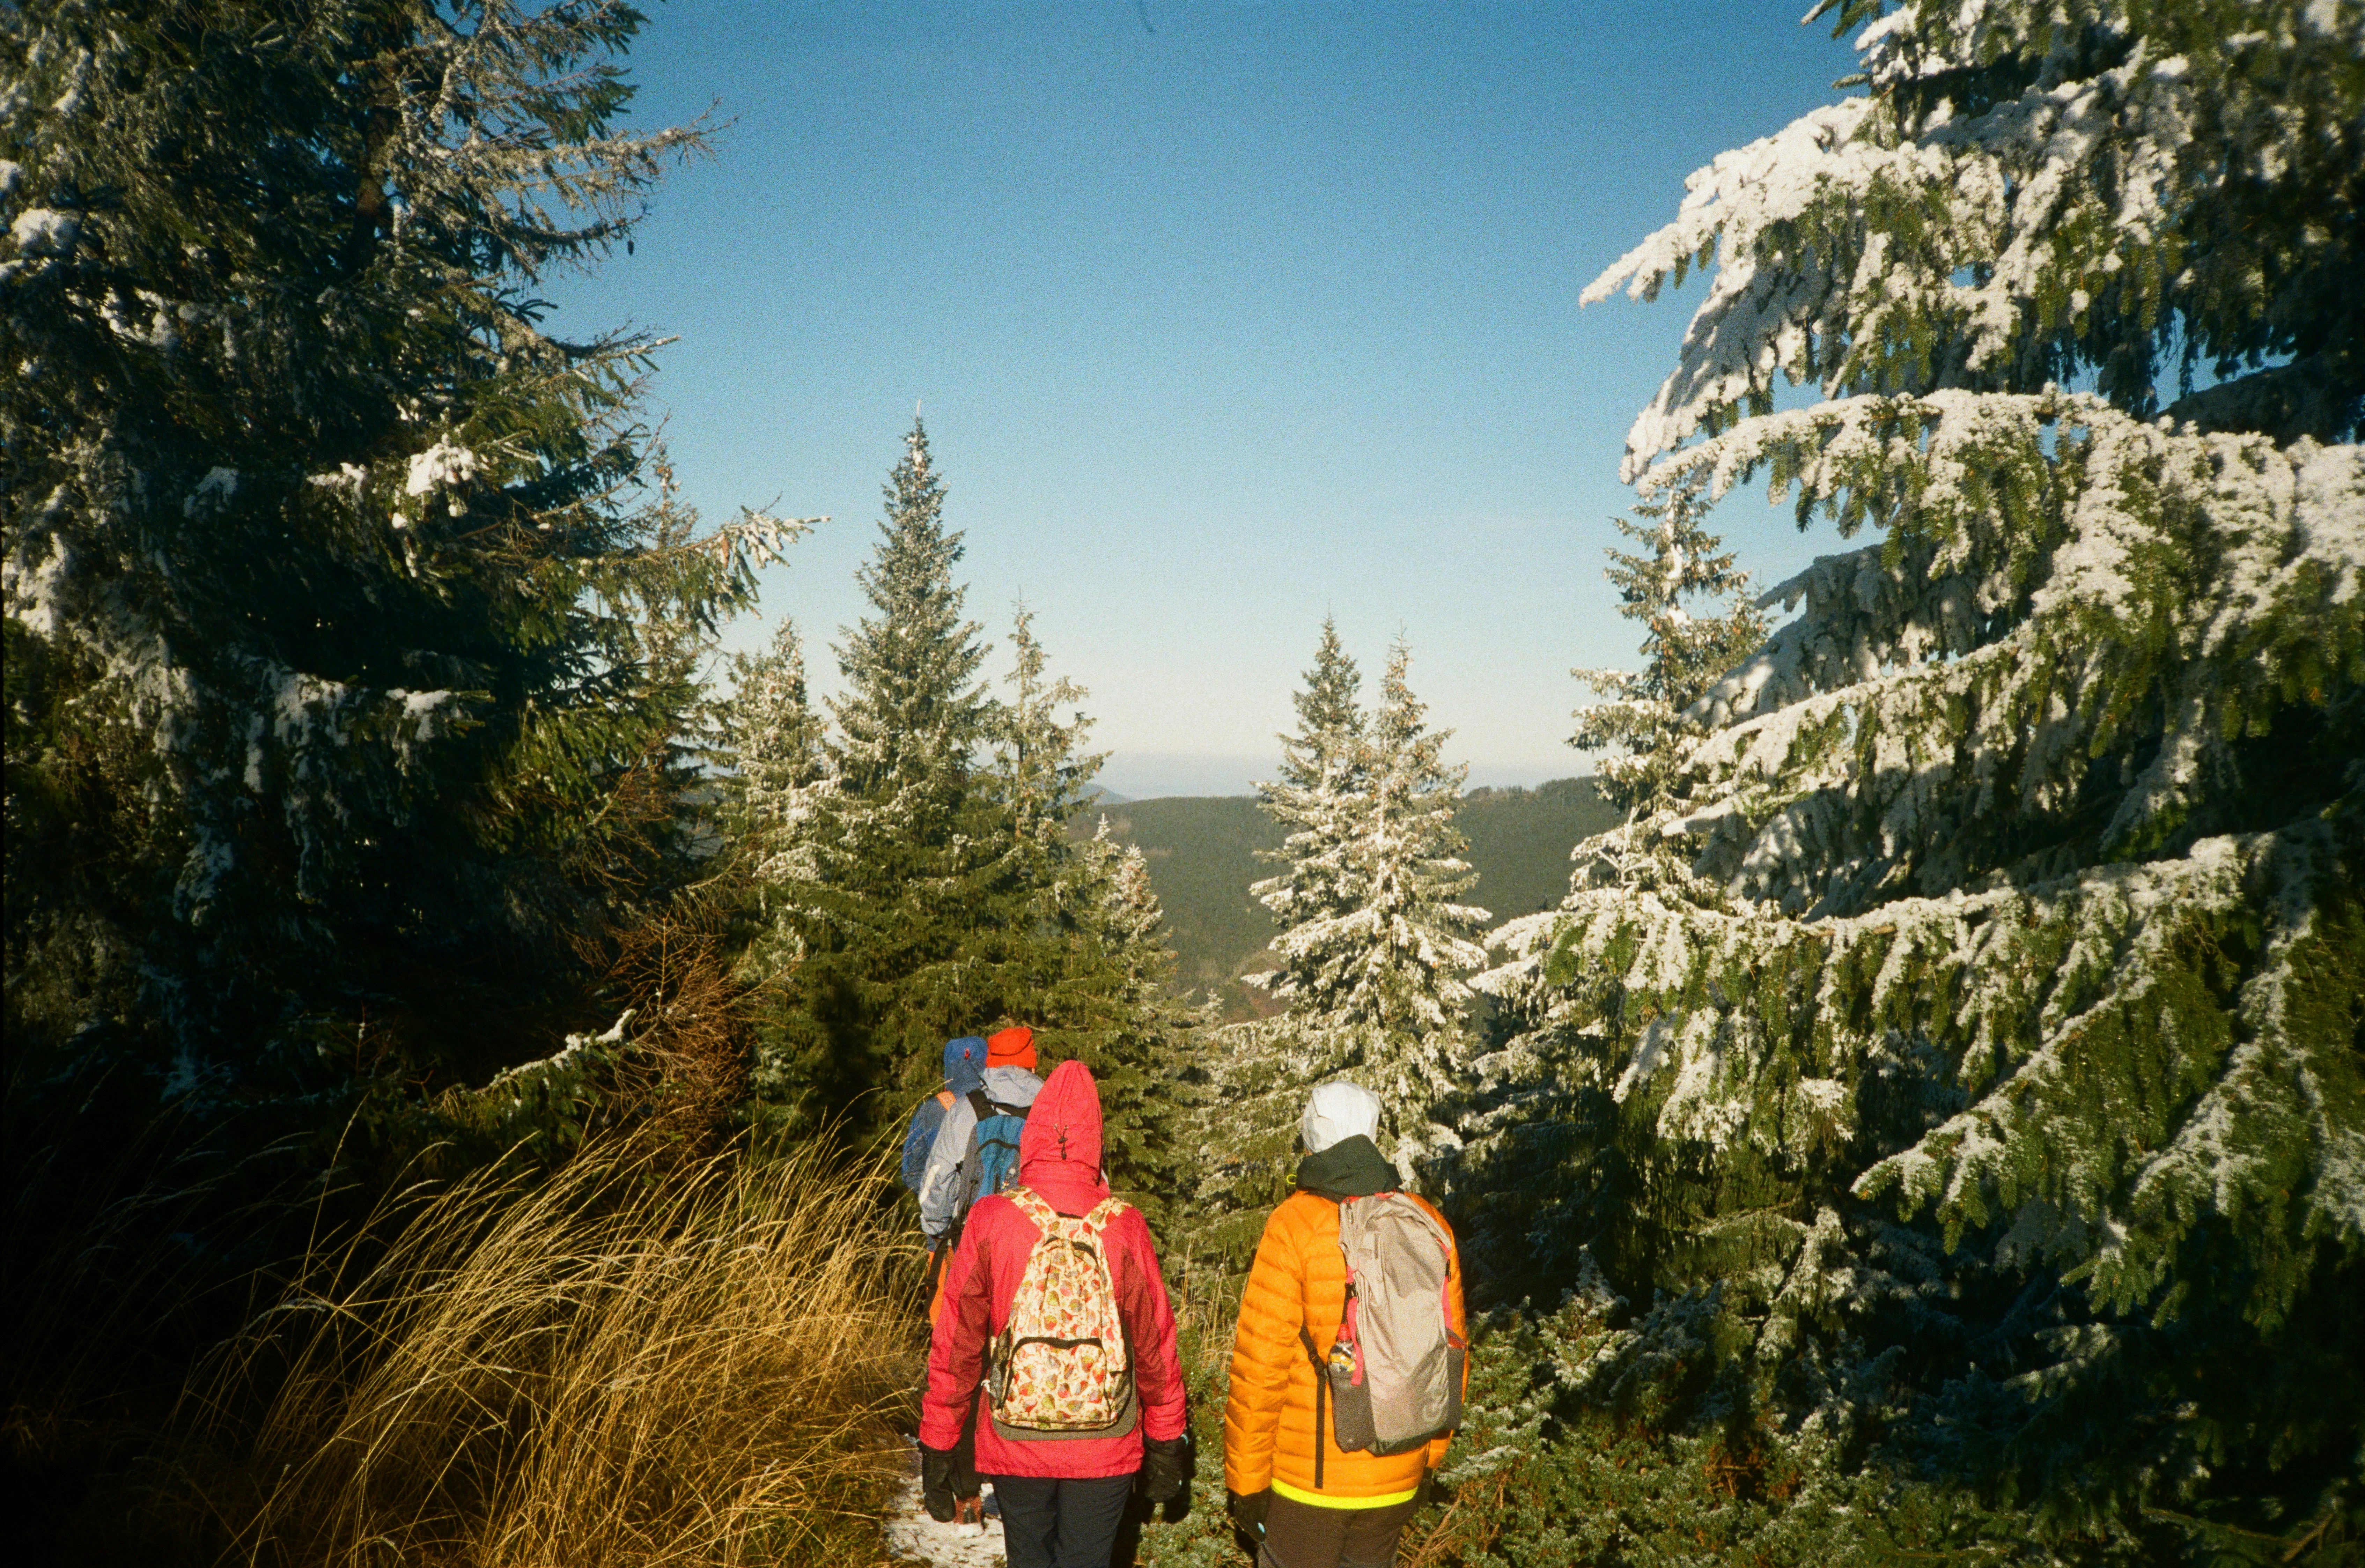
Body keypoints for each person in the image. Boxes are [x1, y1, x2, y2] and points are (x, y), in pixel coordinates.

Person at [919, 1059, 1191, 1568]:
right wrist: (1165, 1439)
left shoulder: (992, 1218)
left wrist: (939, 1440)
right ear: (1094, 1140)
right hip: (1105, 1441)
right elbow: (1156, 1345)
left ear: (1034, 1134)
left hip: (1017, 1437)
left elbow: (957, 1342)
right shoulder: (1124, 1226)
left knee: (1029, 1557)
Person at [1222, 1081, 1467, 1568]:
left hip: (1309, 1483)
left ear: (1310, 1140)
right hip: (1399, 1467)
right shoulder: (1425, 1220)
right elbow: (1450, 1351)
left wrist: (1246, 1484)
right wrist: (1429, 1454)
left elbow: (1260, 1368)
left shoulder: (1294, 1224)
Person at [916, 1024, 1046, 1255]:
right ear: (1033, 1067)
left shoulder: (965, 1110)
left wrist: (937, 1231)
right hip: (1033, 1252)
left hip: (974, 1248)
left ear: (991, 1065)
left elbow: (939, 1176)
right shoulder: (1051, 1112)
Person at [902, 1035, 989, 1194]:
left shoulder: (930, 1111)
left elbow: (911, 1173)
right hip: (992, 1208)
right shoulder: (999, 1102)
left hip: (944, 1211)